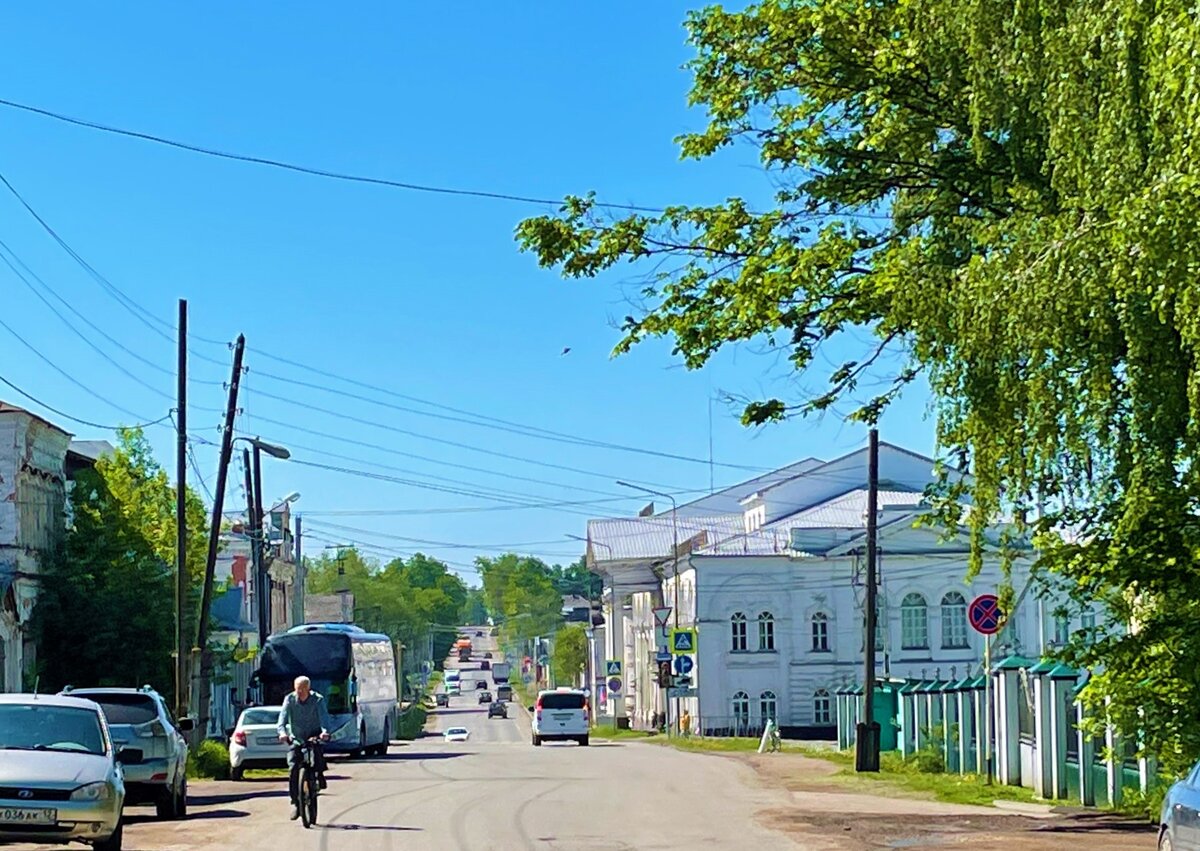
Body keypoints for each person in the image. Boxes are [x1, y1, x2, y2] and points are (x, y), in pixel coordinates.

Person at [276, 676, 332, 820]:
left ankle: (319, 775)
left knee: (316, 755)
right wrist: (282, 733)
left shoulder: (317, 699)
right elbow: (281, 720)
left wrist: (325, 732)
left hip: (313, 735)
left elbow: (324, 718)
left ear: (308, 688)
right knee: (293, 767)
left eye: (302, 689)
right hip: (296, 738)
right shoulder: (289, 699)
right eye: (297, 689)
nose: (299, 692)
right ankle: (296, 802)